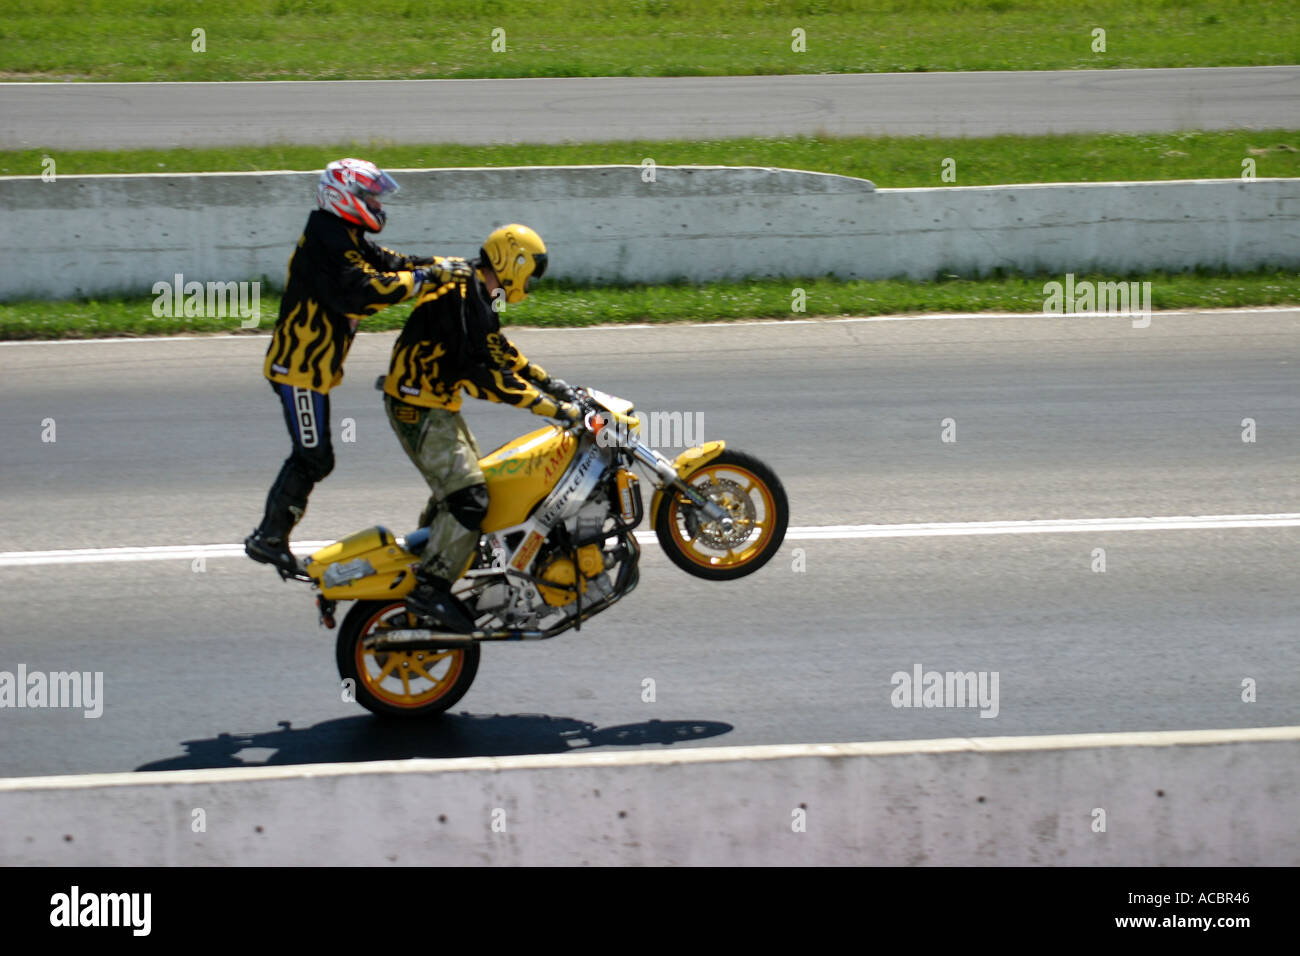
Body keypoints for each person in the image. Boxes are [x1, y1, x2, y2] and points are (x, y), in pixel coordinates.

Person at [245, 157, 472, 575]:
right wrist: (429, 278)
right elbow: (367, 291)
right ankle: (269, 538)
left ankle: (271, 536)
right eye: (368, 195)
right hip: (299, 370)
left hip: (314, 371)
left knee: (316, 457)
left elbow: (387, 262)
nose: (376, 203)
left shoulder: (341, 233)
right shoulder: (325, 243)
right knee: (313, 458)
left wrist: (442, 265)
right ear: (343, 196)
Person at [380, 223, 581, 631]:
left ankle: (433, 549)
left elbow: (497, 349)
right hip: (415, 408)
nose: (532, 281)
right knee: (468, 499)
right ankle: (430, 588)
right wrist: (552, 409)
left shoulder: (477, 293)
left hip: (433, 403)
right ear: (514, 261)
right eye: (532, 270)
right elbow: (483, 379)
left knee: (475, 486)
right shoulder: (462, 296)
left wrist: (547, 381)